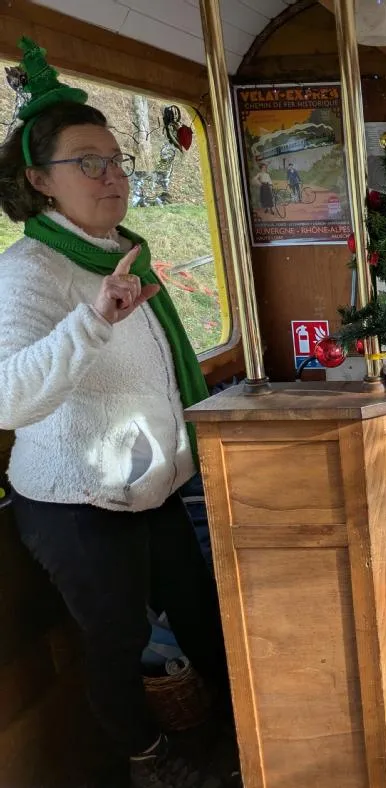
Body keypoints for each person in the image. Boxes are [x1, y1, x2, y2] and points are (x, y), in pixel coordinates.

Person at [0, 38, 230, 788]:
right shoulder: (30, 271)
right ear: (39, 180)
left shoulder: (122, 251)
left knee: (201, 617)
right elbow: (11, 396)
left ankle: (239, 732)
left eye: (117, 161)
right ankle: (148, 761)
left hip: (151, 488)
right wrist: (93, 320)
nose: (112, 176)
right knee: (115, 640)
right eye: (88, 162)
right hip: (77, 501)